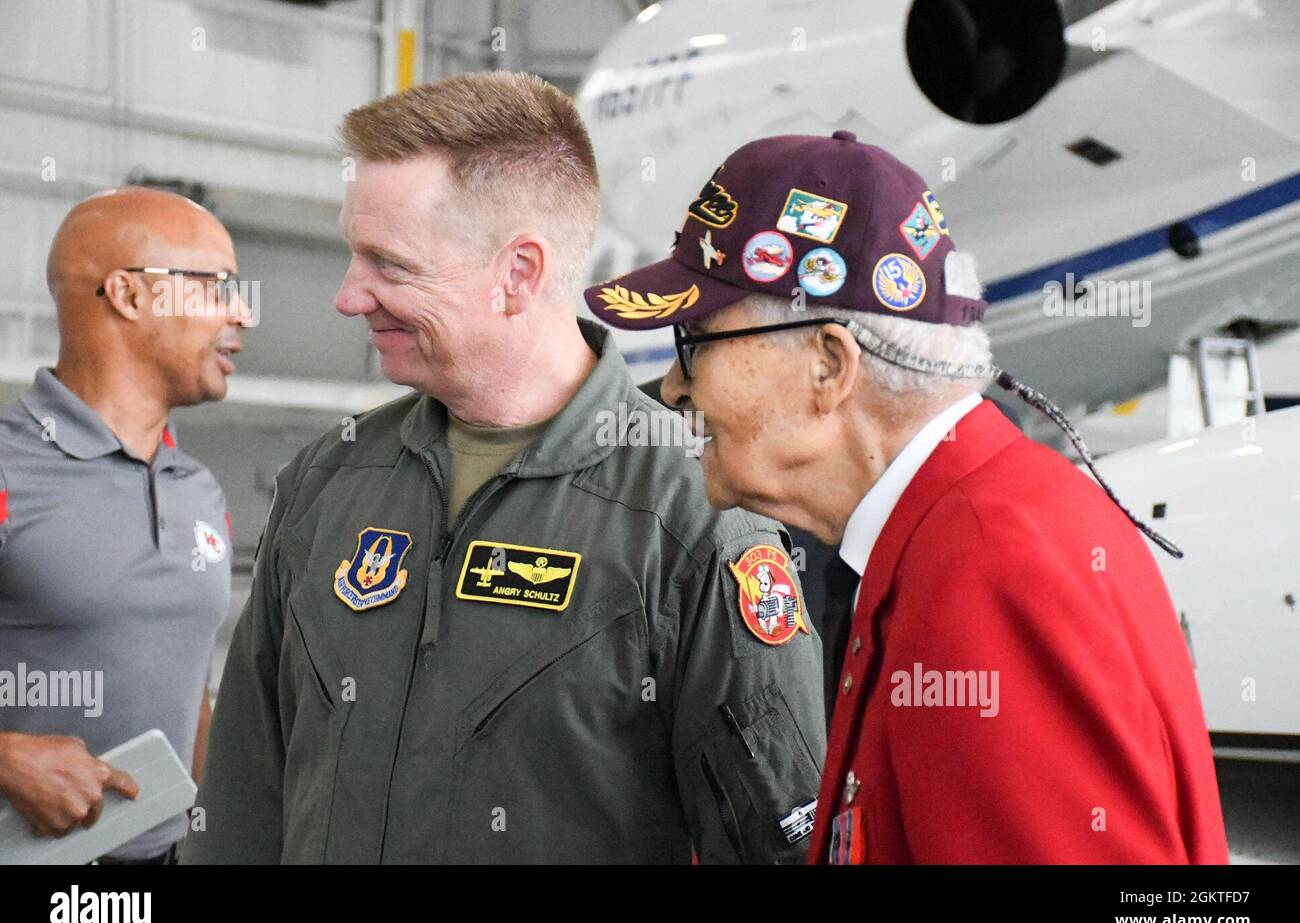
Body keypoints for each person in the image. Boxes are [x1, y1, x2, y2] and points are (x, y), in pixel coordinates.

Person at [182, 72, 825, 865]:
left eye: (388, 263)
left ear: (518, 272)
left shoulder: (699, 516)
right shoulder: (329, 480)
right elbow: (244, 800)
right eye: (355, 254)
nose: (350, 296)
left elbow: (777, 845)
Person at [585, 131, 1229, 864]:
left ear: (829, 365)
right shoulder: (971, 530)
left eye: (693, 340)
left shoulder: (988, 570)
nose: (673, 387)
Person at [0, 186, 248, 863]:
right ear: (132, 295)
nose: (243, 312)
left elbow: (190, 697)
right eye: (218, 285)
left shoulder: (198, 491)